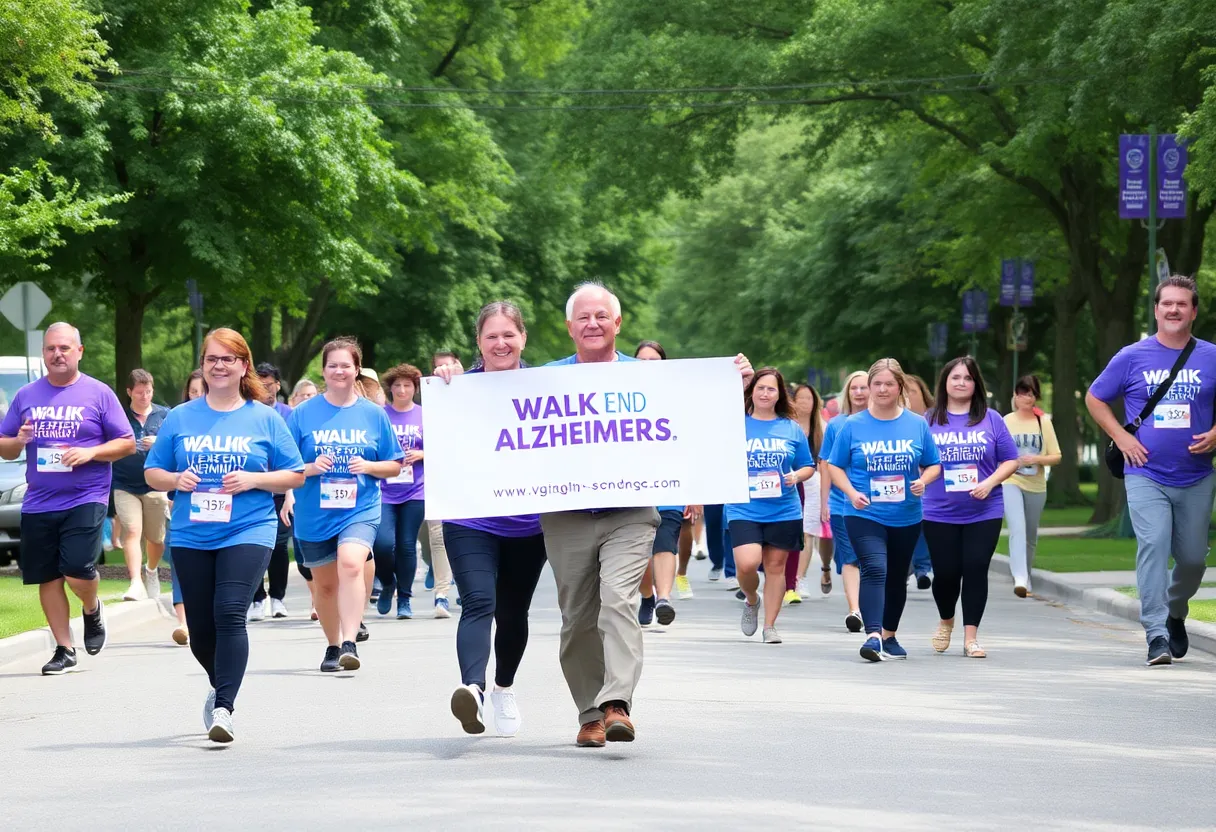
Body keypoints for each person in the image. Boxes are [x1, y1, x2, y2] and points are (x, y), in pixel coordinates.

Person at [539, 283, 752, 745]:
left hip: (631, 513)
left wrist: (730, 384)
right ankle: (589, 713)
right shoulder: (542, 379)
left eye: (602, 316)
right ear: (569, 326)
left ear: (618, 324)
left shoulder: (653, 378)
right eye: (583, 317)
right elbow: (492, 395)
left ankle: (617, 704)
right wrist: (459, 372)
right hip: (567, 515)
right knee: (577, 618)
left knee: (618, 599)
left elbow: (698, 415)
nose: (592, 323)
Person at [145, 328, 305, 743]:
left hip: (248, 528)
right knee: (200, 628)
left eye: (228, 359)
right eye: (212, 359)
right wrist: (178, 478)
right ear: (203, 365)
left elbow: (296, 474)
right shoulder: (180, 416)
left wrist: (253, 478)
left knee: (230, 611)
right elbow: (153, 471)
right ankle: (220, 682)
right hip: (191, 532)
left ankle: (224, 708)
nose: (219, 366)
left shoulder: (264, 417)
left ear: (243, 366)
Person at [434, 302, 551, 736]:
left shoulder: (549, 386)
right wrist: (444, 385)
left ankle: (503, 688)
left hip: (528, 523)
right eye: (491, 336)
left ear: (523, 338)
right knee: (479, 601)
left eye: (509, 335)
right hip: (470, 518)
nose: (500, 343)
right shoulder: (455, 389)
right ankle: (474, 689)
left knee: (513, 611)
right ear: (478, 343)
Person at [1086, 275, 1216, 666]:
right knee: (1154, 545)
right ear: (1156, 310)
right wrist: (1122, 439)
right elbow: (1095, 398)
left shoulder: (1211, 355)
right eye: (1167, 303)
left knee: (1193, 560)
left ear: (1193, 311)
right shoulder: (1132, 356)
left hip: (1196, 474)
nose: (1174, 309)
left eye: (1182, 304)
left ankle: (1176, 611)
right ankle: (1156, 633)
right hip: (1145, 472)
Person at [0, 323, 135, 675]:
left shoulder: (99, 393)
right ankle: (64, 647)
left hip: (85, 496)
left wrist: (89, 453)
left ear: (79, 351)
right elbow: (4, 444)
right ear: (43, 354)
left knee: (76, 568)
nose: (57, 354)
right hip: (39, 500)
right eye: (50, 349)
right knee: (47, 577)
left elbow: (127, 442)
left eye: (64, 348)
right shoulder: (27, 395)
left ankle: (91, 608)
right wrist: (19, 439)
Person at [285, 338, 402, 672]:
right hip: (315, 511)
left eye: (346, 365)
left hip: (359, 507)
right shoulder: (302, 415)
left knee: (351, 564)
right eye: (332, 365)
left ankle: (350, 641)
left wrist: (368, 467)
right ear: (323, 370)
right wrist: (310, 468)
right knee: (324, 584)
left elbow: (393, 465)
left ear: (356, 370)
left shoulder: (373, 414)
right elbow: (284, 468)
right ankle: (333, 645)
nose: (339, 371)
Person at [828, 358, 941, 662]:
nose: (881, 389)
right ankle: (873, 635)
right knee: (875, 568)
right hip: (864, 513)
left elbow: (934, 463)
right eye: (875, 383)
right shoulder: (853, 425)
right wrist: (851, 493)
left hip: (905, 514)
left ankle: (890, 635)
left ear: (899, 387)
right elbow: (834, 465)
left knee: (896, 577)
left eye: (888, 383)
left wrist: (922, 480)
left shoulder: (916, 424)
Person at [921, 357, 1019, 658]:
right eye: (955, 377)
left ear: (976, 384)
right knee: (947, 574)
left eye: (967, 378)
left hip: (984, 509)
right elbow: (917, 459)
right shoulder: (928, 419)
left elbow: (1011, 459)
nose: (961, 382)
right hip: (938, 510)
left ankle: (971, 637)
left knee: (976, 568)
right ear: (945, 383)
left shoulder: (991, 419)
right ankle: (946, 619)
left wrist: (990, 483)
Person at [727, 368, 815, 644]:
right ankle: (752, 599)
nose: (765, 393)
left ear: (780, 394)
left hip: (784, 508)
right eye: (760, 388)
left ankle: (770, 626)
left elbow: (808, 466)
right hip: (744, 507)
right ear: (751, 391)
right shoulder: (734, 424)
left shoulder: (791, 428)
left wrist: (796, 476)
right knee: (747, 563)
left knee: (776, 567)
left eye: (771, 389)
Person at [633, 339, 695, 624]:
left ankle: (664, 599)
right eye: (641, 361)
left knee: (665, 542)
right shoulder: (619, 396)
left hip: (670, 485)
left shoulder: (679, 399)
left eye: (653, 361)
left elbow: (690, 445)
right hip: (631, 489)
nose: (646, 366)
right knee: (643, 555)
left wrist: (695, 491)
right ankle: (647, 595)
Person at [372, 363, 431, 620]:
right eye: (397, 385)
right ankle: (388, 583)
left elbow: (442, 447)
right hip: (384, 489)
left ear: (414, 389)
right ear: (390, 388)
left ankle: (405, 599)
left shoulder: (424, 415)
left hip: (415, 489)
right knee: (383, 544)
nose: (402, 389)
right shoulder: (380, 416)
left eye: (408, 385)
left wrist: (421, 454)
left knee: (406, 545)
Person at [111, 369, 171, 602]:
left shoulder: (165, 415)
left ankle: (151, 571)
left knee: (156, 538)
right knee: (132, 531)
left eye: (148, 392)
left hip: (156, 484)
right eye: (139, 392)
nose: (144, 396)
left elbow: (177, 446)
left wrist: (159, 443)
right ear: (129, 392)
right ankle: (135, 582)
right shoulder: (119, 416)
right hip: (125, 483)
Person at [818, 371, 869, 631]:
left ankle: (873, 606)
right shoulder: (837, 425)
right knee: (849, 557)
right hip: (842, 503)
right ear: (847, 393)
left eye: (864, 387)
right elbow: (825, 464)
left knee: (869, 558)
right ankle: (855, 610)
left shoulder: (884, 423)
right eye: (854, 388)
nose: (859, 393)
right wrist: (824, 501)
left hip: (877, 504)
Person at [1002, 374, 1062, 598]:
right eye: (1021, 393)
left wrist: (1037, 460)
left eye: (1030, 393)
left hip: (1036, 485)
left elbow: (1056, 456)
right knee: (1017, 528)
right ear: (1015, 396)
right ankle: (1020, 578)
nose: (1025, 398)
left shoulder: (1042, 422)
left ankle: (1025, 576)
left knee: (1030, 534)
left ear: (1035, 397)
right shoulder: (1006, 421)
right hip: (1011, 481)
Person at [246, 362, 293, 621]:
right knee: (252, 545)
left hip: (281, 488)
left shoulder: (289, 414)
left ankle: (277, 597)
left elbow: (296, 457)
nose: (264, 388)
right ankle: (257, 598)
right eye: (259, 383)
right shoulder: (246, 413)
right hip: (252, 488)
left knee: (278, 545)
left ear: (277, 384)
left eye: (268, 383)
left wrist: (290, 494)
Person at [166, 370, 206, 645]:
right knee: (180, 564)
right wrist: (174, 483)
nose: (198, 395)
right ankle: (184, 623)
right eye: (193, 391)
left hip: (225, 513)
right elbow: (163, 467)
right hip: (184, 509)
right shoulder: (179, 421)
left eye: (201, 390)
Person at [791, 383, 830, 600]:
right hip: (790, 481)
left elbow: (825, 462)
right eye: (800, 398)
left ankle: (800, 578)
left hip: (813, 483)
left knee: (808, 531)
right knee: (791, 530)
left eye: (809, 398)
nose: (804, 402)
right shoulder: (788, 425)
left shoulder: (822, 427)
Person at [904, 374, 935, 590]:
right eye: (904, 391)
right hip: (902, 486)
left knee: (923, 524)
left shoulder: (934, 419)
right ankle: (908, 567)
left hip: (931, 482)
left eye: (912, 391)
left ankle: (923, 568)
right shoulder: (897, 420)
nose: (907, 396)